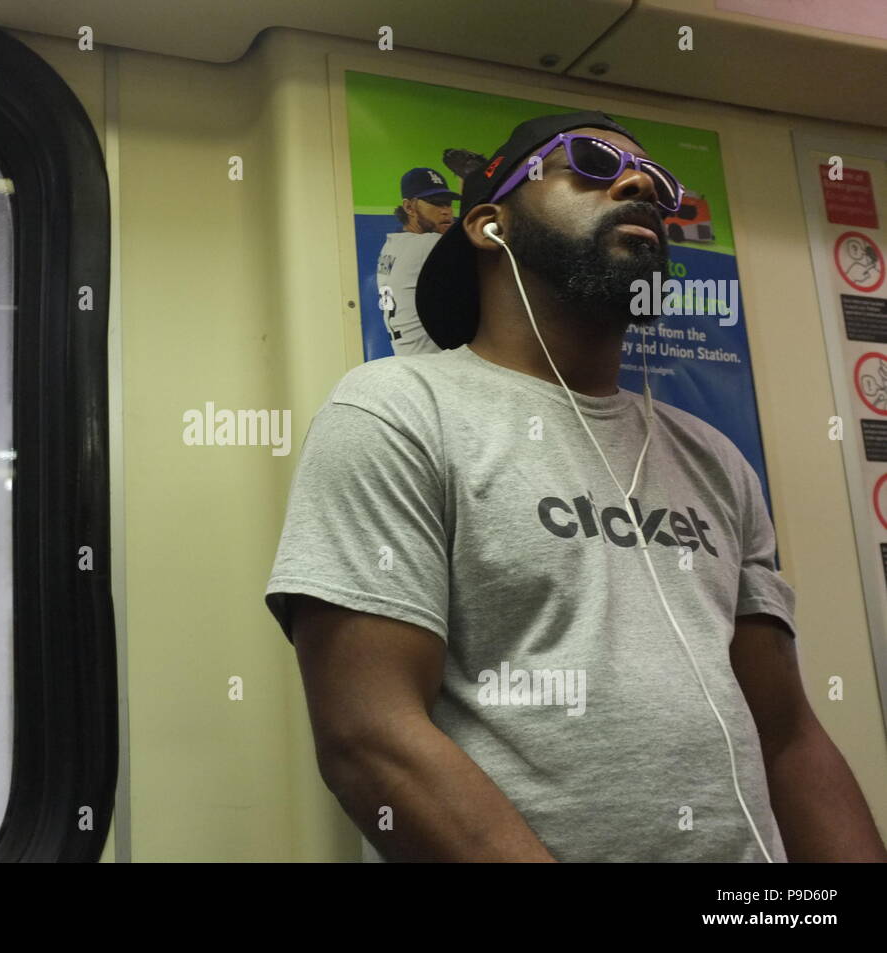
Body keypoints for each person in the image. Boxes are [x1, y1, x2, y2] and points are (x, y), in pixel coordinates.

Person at [264, 110, 887, 862]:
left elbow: (787, 734)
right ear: (489, 224)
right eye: (590, 162)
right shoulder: (396, 410)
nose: (640, 186)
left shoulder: (716, 460)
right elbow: (370, 737)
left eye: (658, 183)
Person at [375, 168, 454, 355]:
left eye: (448, 203)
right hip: (432, 362)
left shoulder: (392, 245)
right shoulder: (427, 245)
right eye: (435, 203)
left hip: (408, 355)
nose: (446, 211)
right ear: (409, 207)